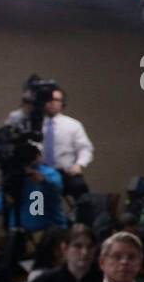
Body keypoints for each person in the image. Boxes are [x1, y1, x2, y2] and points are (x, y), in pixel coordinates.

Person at [6, 85, 94, 225]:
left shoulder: (73, 125)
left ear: (62, 103)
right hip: (39, 172)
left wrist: (79, 165)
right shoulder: (32, 124)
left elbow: (85, 148)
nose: (52, 102)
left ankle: (83, 229)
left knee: (84, 198)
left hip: (66, 173)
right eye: (49, 99)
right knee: (24, 195)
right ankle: (30, 229)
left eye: (56, 100)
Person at [0, 143, 67, 233]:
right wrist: (6, 200)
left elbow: (55, 193)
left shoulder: (49, 174)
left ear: (39, 156)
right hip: (17, 231)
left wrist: (44, 182)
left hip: (46, 231)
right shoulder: (14, 176)